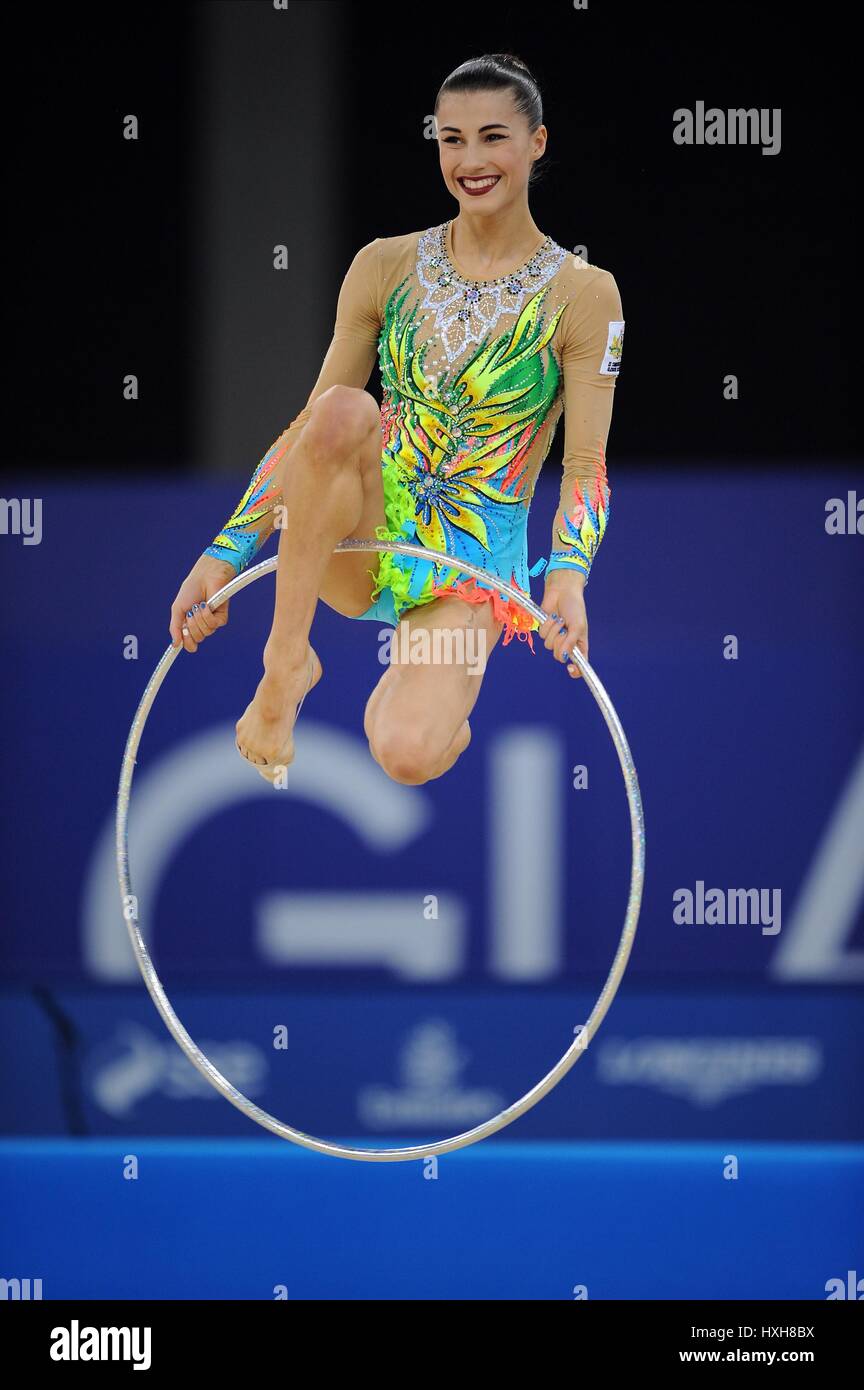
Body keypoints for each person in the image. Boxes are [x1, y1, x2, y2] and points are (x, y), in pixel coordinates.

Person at [169, 53, 624, 787]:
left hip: (469, 569)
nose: (471, 160)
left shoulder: (585, 294)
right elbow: (307, 435)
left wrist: (568, 577)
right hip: (366, 529)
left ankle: (433, 698)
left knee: (407, 754)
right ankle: (286, 664)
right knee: (343, 408)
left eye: (493, 137)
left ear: (537, 143)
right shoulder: (383, 265)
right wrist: (223, 554)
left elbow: (585, 466)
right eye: (452, 139)